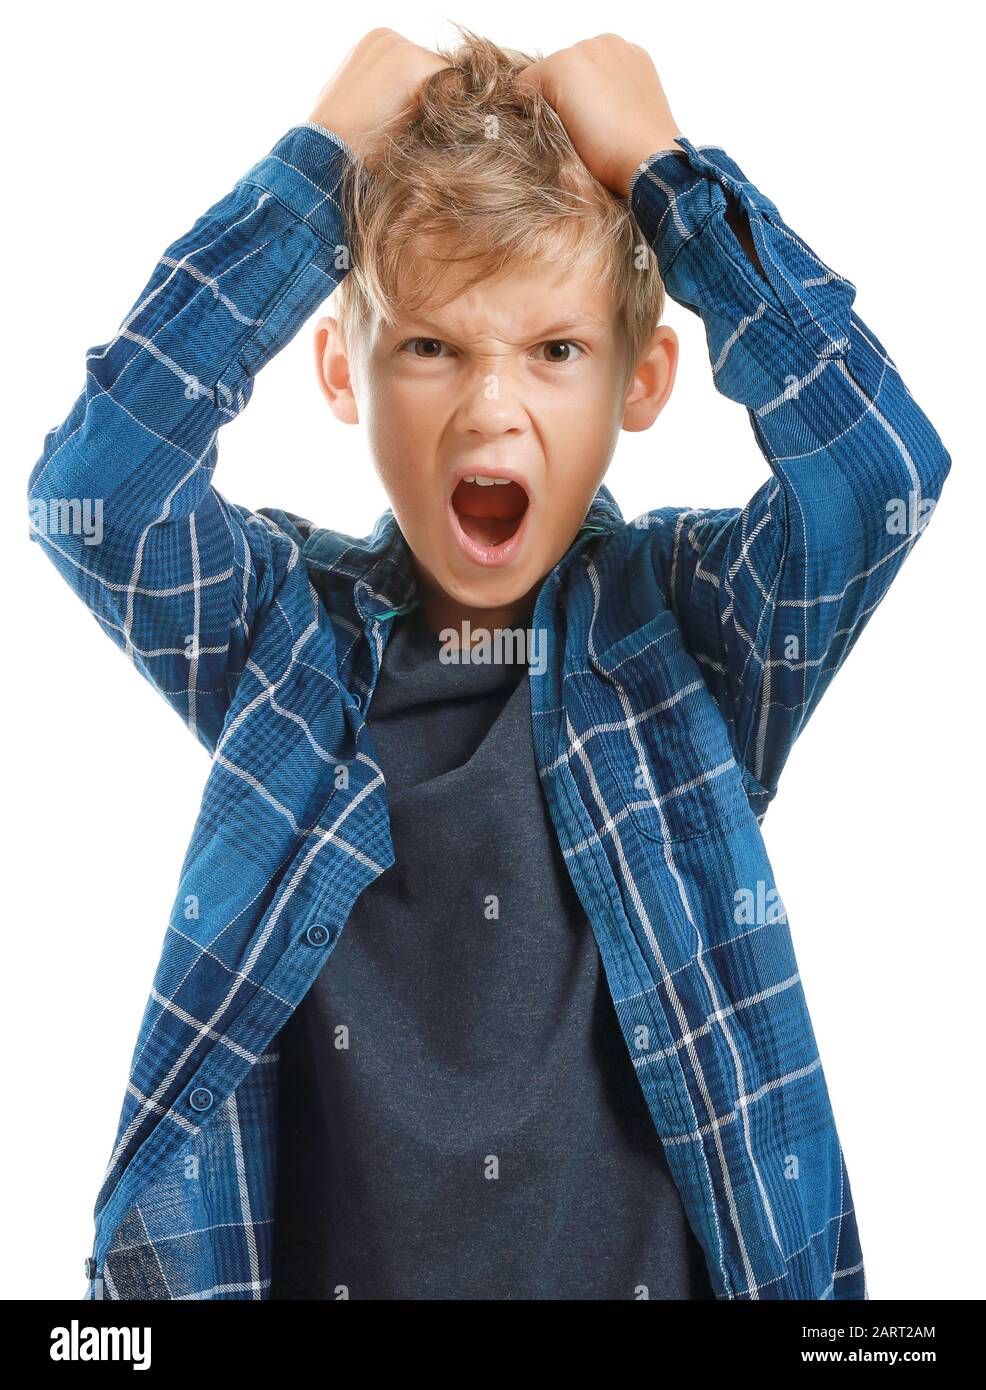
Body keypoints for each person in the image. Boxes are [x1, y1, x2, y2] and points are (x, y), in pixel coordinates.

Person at [27, 25, 951, 1300]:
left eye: (556, 349)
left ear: (643, 378)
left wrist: (668, 178)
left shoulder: (685, 638)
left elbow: (876, 475)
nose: (489, 407)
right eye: (430, 345)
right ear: (343, 370)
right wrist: (313, 173)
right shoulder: (285, 643)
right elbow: (99, 491)